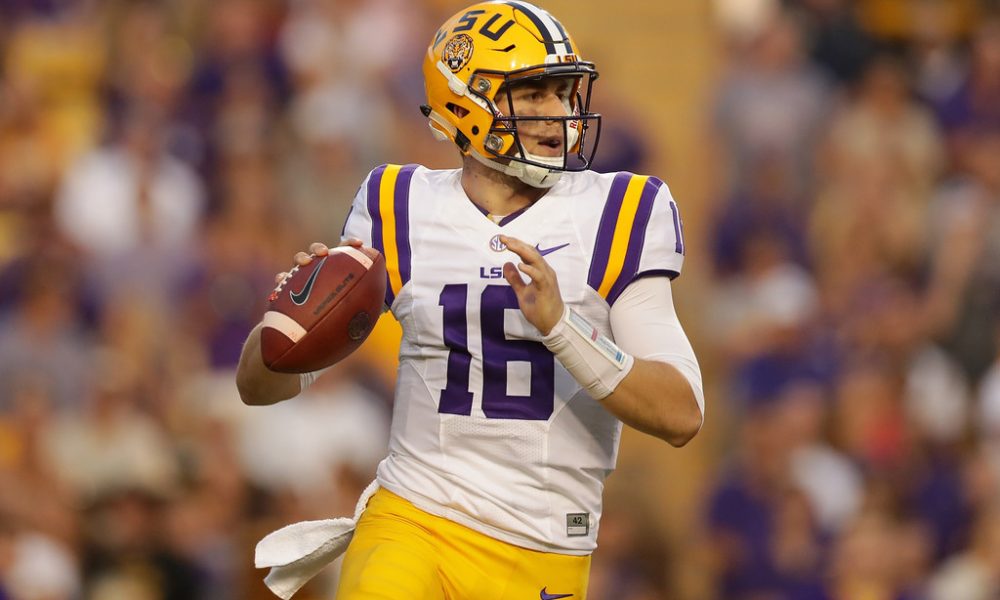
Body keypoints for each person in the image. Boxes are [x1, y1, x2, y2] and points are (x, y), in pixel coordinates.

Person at [236, 2, 705, 598]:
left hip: (543, 548)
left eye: (565, 94)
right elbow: (260, 387)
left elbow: (682, 414)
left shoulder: (620, 211)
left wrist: (564, 329)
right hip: (413, 518)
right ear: (466, 105)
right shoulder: (398, 203)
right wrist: (288, 324)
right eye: (535, 96)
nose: (559, 114)